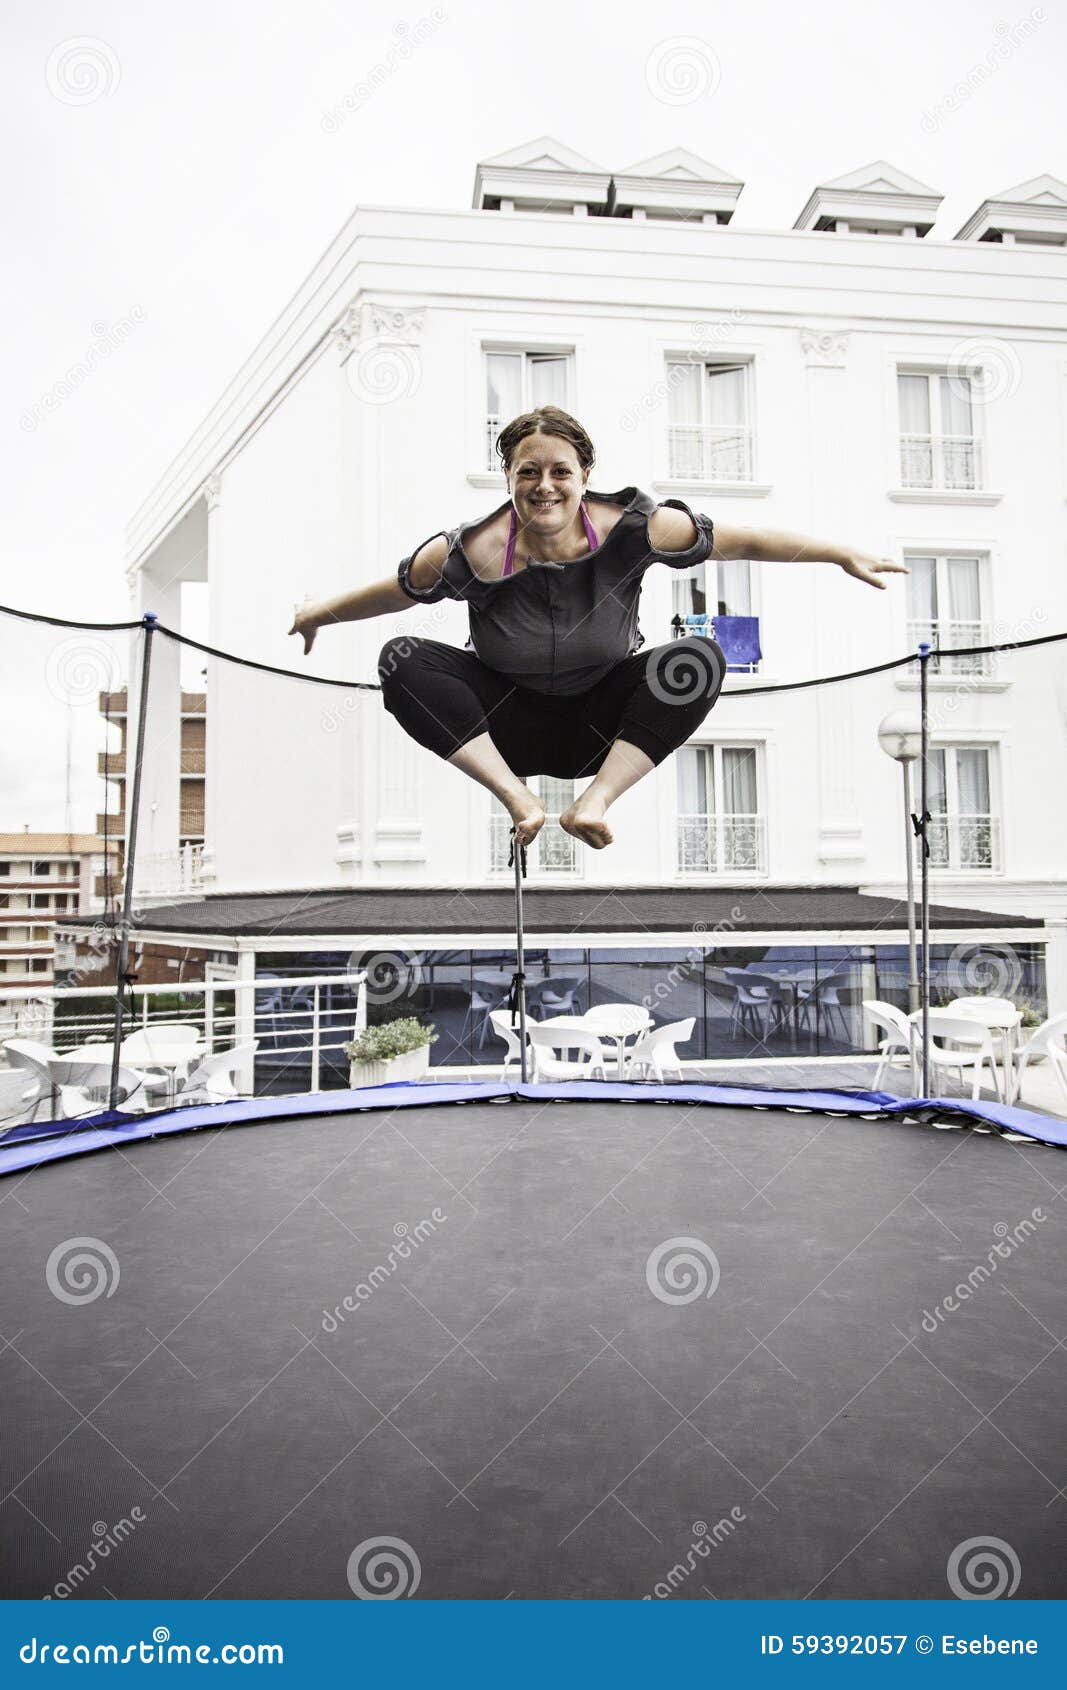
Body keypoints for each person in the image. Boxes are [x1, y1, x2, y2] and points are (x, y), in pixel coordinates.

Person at [289, 406, 906, 851]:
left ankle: (595, 802)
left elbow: (744, 540)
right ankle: (518, 799)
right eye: (527, 472)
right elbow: (392, 593)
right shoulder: (468, 551)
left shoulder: (637, 528)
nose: (544, 486)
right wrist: (318, 613)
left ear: (585, 475)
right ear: (508, 478)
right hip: (505, 726)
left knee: (698, 656)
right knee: (401, 658)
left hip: (600, 725)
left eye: (560, 471)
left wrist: (838, 553)